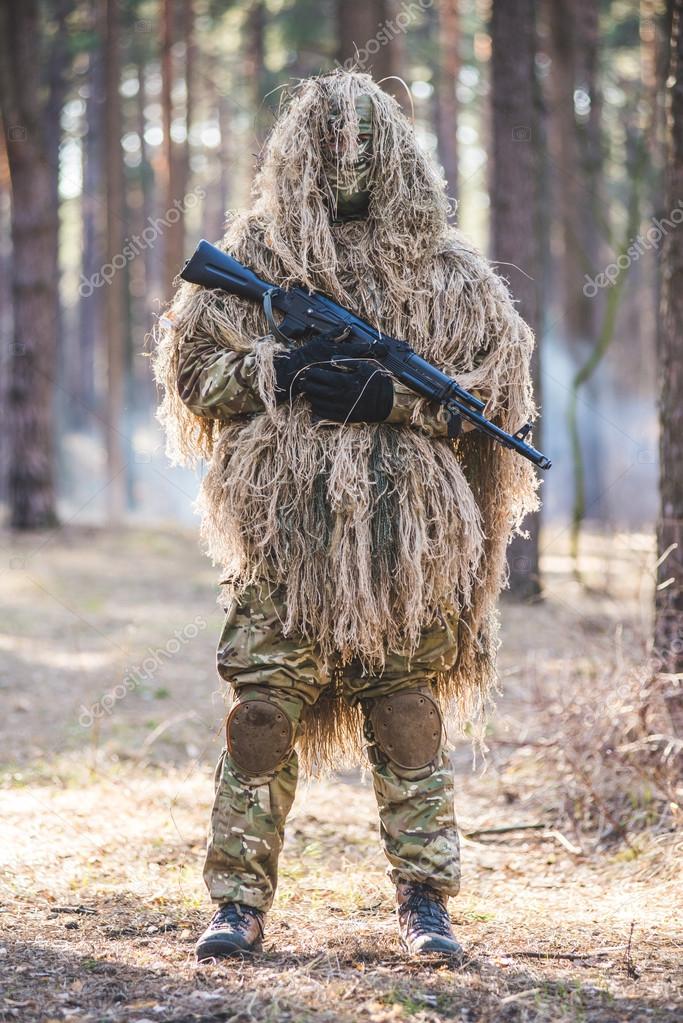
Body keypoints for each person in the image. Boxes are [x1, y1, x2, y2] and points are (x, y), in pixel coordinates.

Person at [154, 69, 538, 962]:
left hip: (407, 539)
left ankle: (425, 901)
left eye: (369, 142)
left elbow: (489, 403)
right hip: (282, 537)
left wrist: (392, 400)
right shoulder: (256, 256)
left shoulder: (448, 275)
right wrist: (278, 373)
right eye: (332, 143)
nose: (350, 159)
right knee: (258, 718)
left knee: (406, 713)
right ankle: (237, 902)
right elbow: (193, 373)